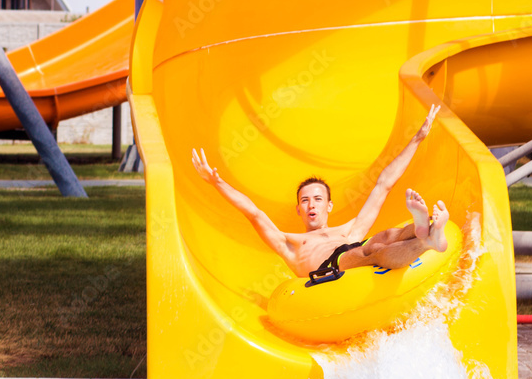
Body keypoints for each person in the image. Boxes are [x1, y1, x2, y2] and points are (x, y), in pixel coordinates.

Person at [191, 105, 450, 282]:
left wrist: (418, 137)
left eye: (317, 199)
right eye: (304, 200)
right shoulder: (290, 243)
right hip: (333, 266)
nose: (311, 204)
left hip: (354, 244)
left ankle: (425, 229)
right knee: (371, 251)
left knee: (386, 235)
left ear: (329, 206)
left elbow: (383, 185)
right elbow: (254, 214)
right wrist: (217, 182)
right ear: (298, 209)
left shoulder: (350, 229)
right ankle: (426, 241)